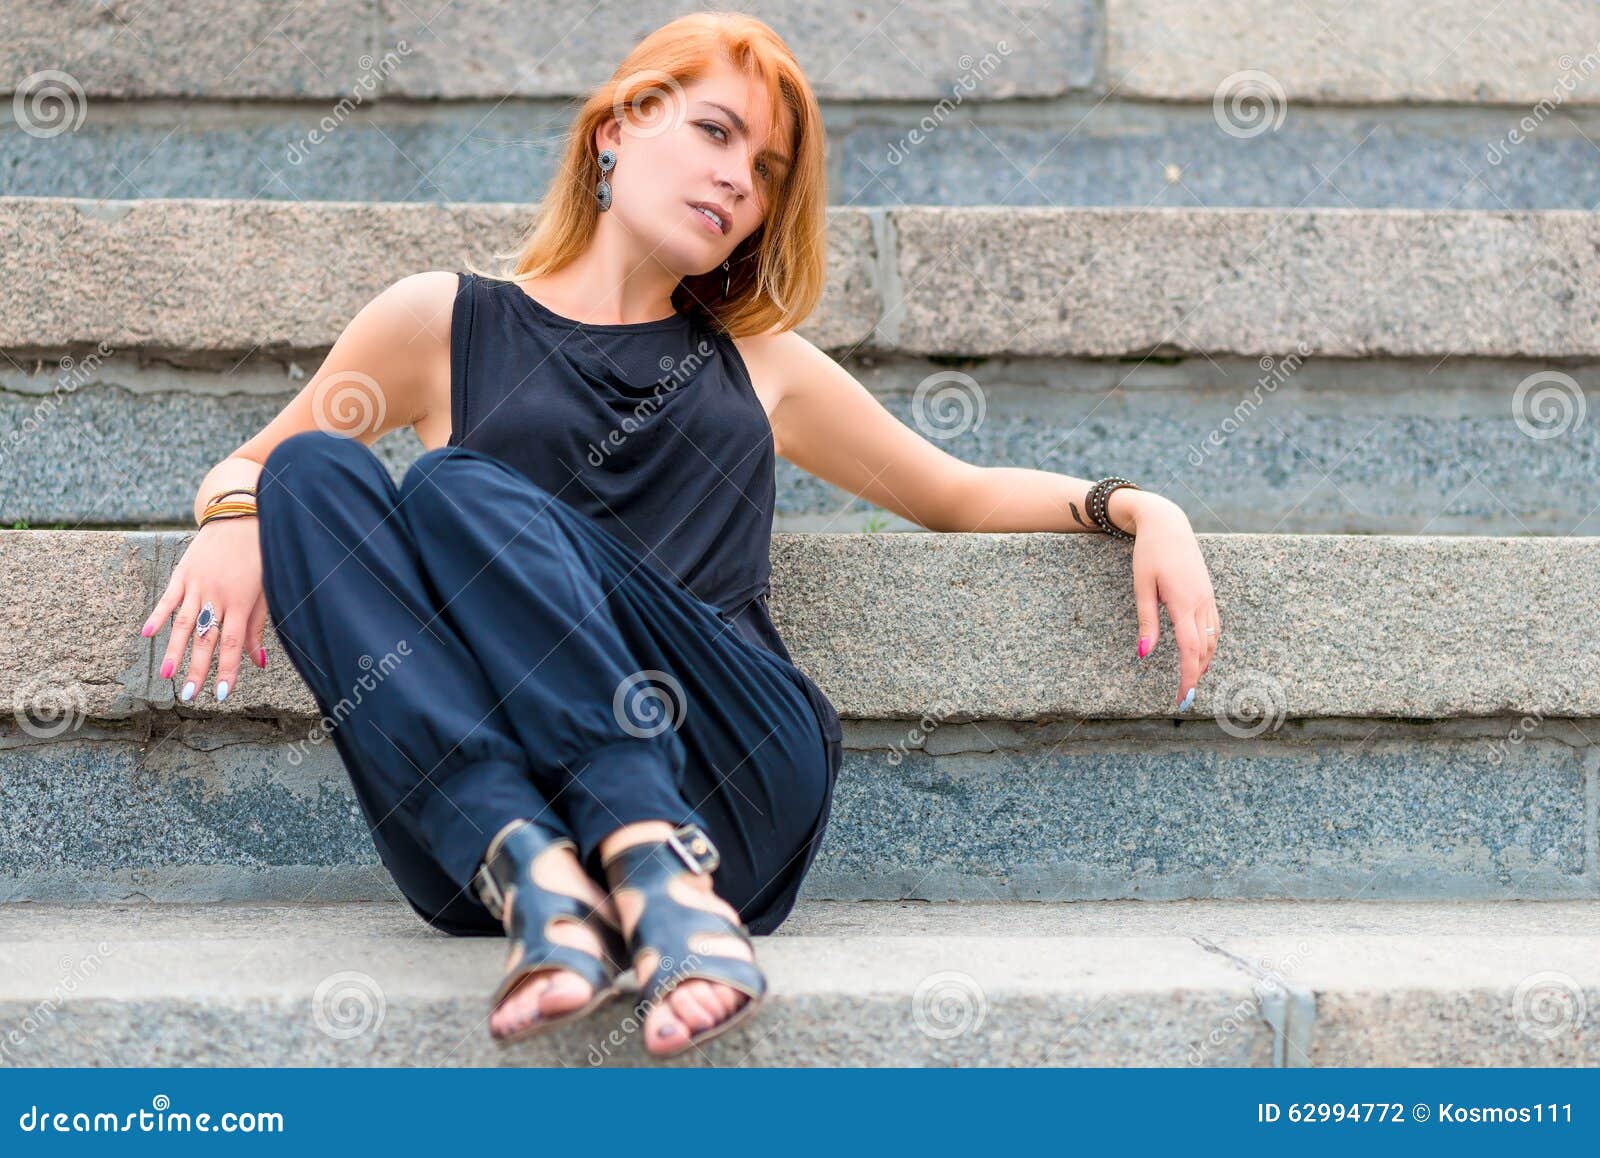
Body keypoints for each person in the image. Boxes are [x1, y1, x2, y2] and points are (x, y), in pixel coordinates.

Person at [138, 11, 1221, 1060]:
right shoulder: (440, 320)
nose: (736, 181)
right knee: (320, 467)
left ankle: (651, 858)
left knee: (453, 485)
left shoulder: (759, 360)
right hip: (498, 849)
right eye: (715, 131)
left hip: (723, 782)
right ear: (616, 128)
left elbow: (953, 494)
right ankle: (532, 864)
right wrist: (243, 514)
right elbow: (255, 463)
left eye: (766, 172)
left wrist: (1135, 506)